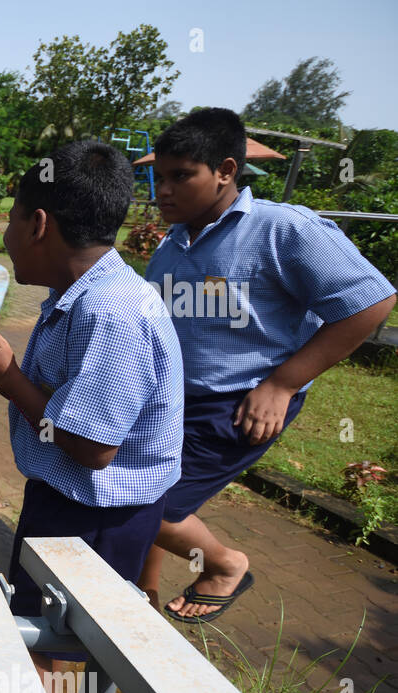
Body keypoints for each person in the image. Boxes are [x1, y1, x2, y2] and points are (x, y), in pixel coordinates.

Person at [0, 140, 184, 693]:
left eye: (12, 219)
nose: (4, 236)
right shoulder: (80, 292)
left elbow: (92, 447)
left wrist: (6, 376)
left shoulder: (111, 311)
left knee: (54, 647)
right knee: (42, 634)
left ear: (38, 223)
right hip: (68, 501)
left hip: (94, 515)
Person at [138, 108, 396, 622]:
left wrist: (282, 384)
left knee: (152, 502)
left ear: (226, 171)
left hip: (238, 403)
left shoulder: (284, 229)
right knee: (145, 486)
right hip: (171, 399)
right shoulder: (171, 244)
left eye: (180, 176)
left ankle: (226, 565)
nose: (162, 190)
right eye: (159, 177)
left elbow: (372, 302)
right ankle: (141, 592)